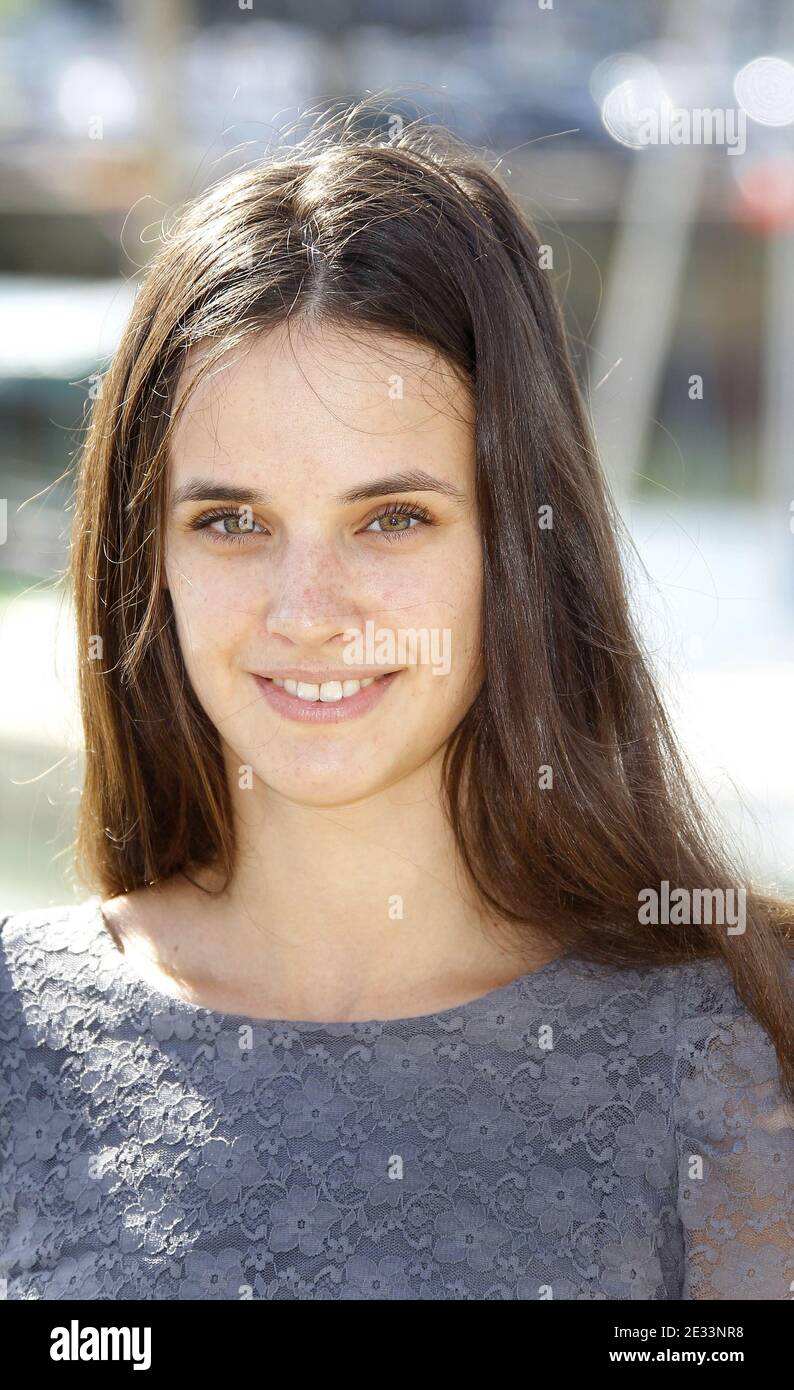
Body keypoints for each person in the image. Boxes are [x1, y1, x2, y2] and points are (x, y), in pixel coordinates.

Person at [1, 105, 792, 1301]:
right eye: (230, 521)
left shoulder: (734, 1049)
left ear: (523, 546)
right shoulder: (18, 1035)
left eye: (391, 518)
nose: (306, 608)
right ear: (142, 560)